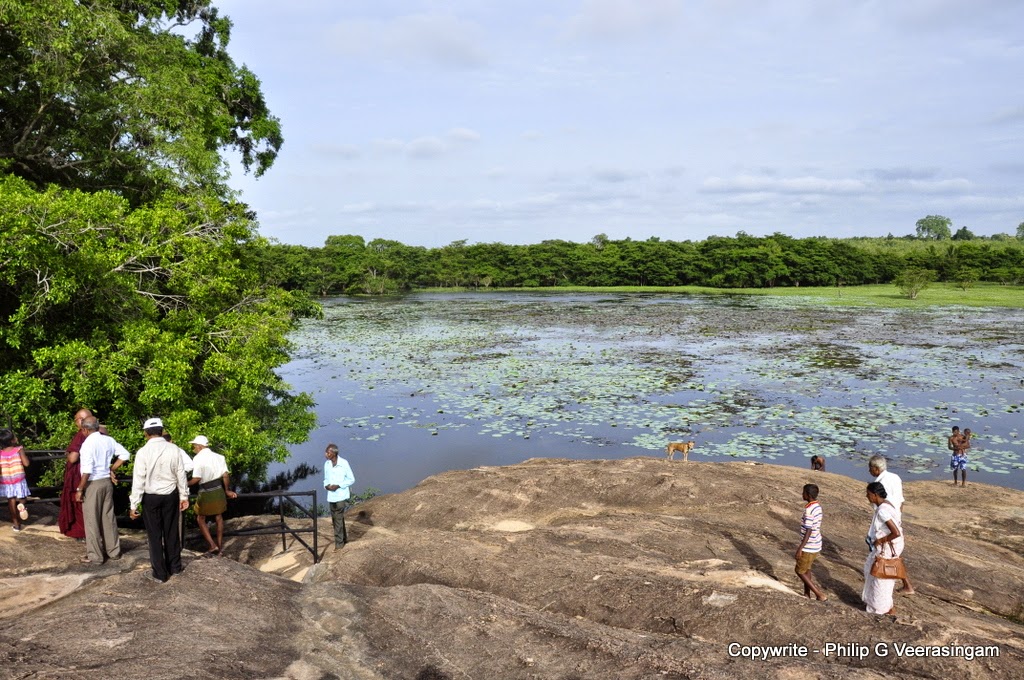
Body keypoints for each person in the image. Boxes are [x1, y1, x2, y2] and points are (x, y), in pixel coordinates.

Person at [129, 418, 189, 583]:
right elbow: (180, 473)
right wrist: (184, 495)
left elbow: (139, 479)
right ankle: (175, 567)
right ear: (162, 431)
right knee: (171, 532)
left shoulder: (143, 452)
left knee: (154, 535)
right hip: (170, 495)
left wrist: (134, 504)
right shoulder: (174, 449)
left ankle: (159, 573)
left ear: (146, 433)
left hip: (151, 497)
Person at [77, 416, 130, 564]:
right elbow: (125, 454)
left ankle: (96, 556)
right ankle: (114, 551)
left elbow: (87, 470)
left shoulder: (87, 444)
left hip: (93, 483)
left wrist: (80, 489)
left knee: (91, 520)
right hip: (106, 481)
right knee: (108, 517)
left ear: (85, 429)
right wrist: (111, 468)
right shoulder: (108, 440)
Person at [867, 455, 914, 595]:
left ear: (876, 468)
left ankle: (899, 584)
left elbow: (882, 505)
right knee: (893, 555)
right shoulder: (895, 477)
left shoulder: (881, 483)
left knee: (886, 555)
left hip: (885, 522)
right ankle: (906, 584)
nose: (869, 471)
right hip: (894, 518)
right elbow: (901, 501)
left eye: (870, 468)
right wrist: (898, 518)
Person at [187, 435, 237, 556]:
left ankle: (212, 545)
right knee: (219, 517)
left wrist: (184, 484)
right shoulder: (220, 457)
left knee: (200, 518)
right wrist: (227, 490)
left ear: (199, 446)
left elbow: (197, 479)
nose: (193, 448)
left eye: (194, 446)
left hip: (206, 490)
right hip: (219, 489)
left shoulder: (198, 458)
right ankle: (220, 549)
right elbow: (225, 475)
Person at [862, 481, 904, 615]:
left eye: (868, 494)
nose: (867, 497)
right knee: (874, 572)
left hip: (886, 548)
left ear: (875, 495)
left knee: (881, 578)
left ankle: (880, 609)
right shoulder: (888, 504)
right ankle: (883, 605)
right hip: (891, 547)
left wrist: (880, 540)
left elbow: (895, 532)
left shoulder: (882, 511)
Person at [58, 408, 91, 540]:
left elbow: (73, 458)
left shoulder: (81, 434)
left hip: (80, 475)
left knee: (78, 503)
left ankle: (81, 532)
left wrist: (69, 454)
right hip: (95, 475)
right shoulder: (101, 433)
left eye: (78, 419)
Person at [794, 483, 825, 601]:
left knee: (799, 570)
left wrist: (800, 548)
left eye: (803, 493)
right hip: (816, 544)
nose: (802, 495)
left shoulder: (809, 510)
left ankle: (819, 594)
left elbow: (809, 530)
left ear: (807, 495)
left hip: (809, 546)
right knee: (807, 569)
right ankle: (807, 594)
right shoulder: (817, 506)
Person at [323, 443, 355, 548]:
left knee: (338, 518)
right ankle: (344, 539)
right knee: (336, 519)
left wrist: (339, 485)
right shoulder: (327, 464)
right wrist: (326, 486)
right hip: (331, 496)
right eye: (326, 452)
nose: (326, 454)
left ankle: (339, 544)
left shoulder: (344, 463)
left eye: (328, 452)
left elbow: (351, 479)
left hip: (341, 495)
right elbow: (325, 479)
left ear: (334, 453)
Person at [0, 429, 31, 532]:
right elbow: (26, 463)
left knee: (11, 500)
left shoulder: (0, 453)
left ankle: (16, 524)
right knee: (23, 497)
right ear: (12, 440)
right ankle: (21, 505)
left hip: (6, 480)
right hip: (19, 479)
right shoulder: (19, 449)